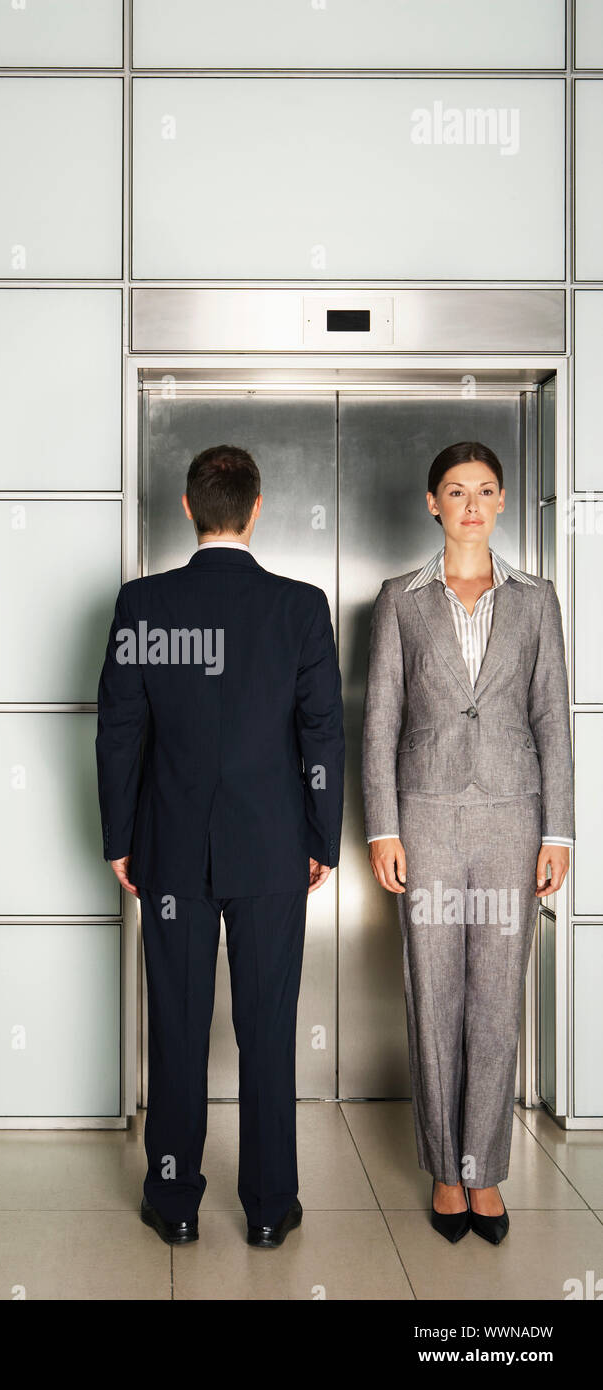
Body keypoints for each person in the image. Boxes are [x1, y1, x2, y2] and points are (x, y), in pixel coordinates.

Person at [96, 444, 344, 1248]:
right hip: (274, 852)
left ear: (187, 506)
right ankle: (271, 1208)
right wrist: (321, 837)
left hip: (170, 852)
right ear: (258, 507)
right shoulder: (301, 607)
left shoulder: (143, 603)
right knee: (269, 1030)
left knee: (176, 1024)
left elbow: (120, 735)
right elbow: (322, 734)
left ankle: (174, 1206)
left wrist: (120, 840)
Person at [362, 442, 573, 1245]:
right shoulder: (400, 601)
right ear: (433, 504)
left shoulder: (537, 600)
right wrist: (383, 825)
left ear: (504, 501)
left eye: (486, 491)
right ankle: (445, 1173)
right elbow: (379, 720)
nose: (473, 505)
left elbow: (553, 716)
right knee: (434, 993)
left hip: (514, 819)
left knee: (497, 1000)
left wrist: (558, 830)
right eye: (457, 492)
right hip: (426, 817)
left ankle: (484, 1170)